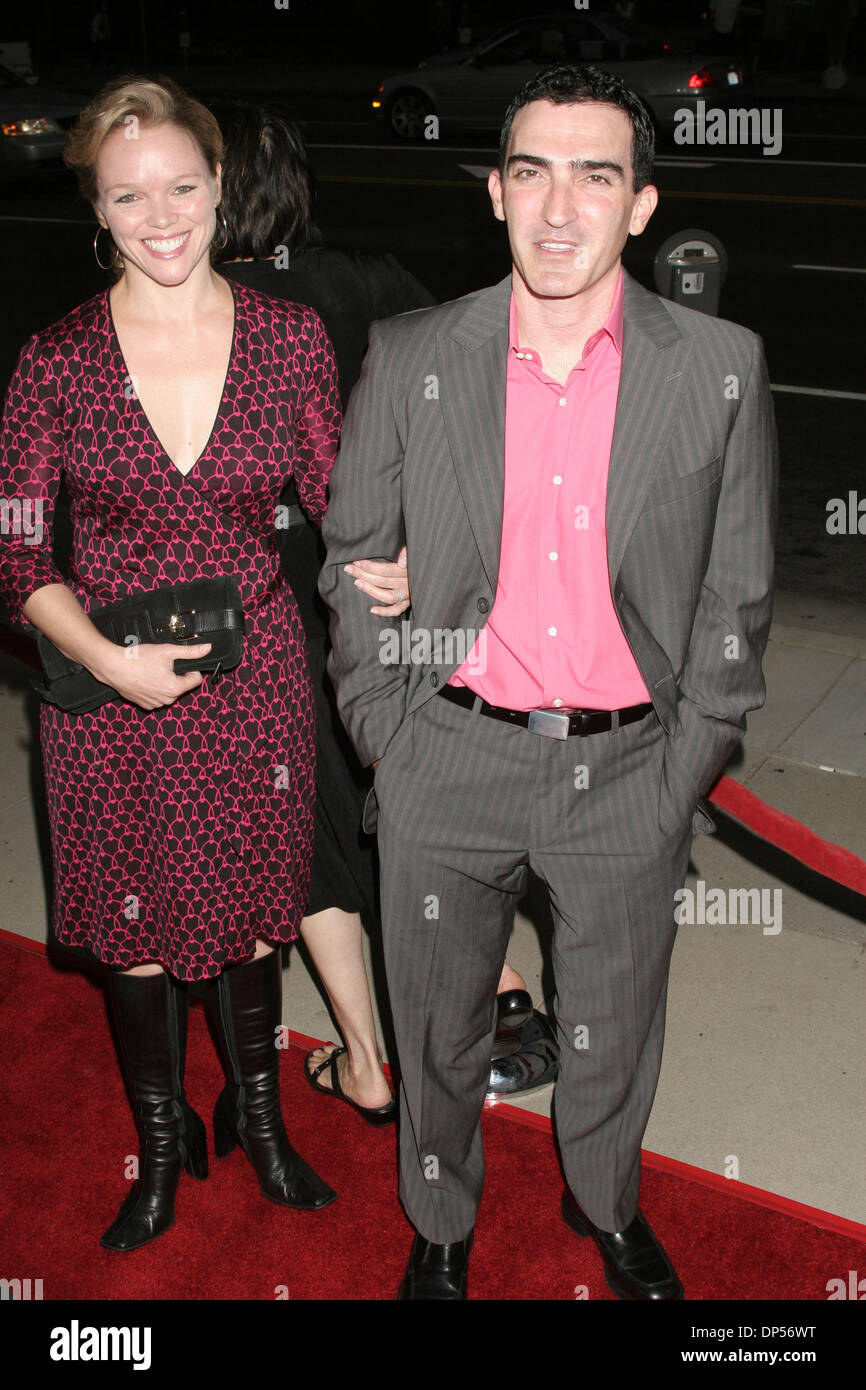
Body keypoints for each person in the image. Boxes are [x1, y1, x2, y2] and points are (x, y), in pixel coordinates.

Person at [320, 64, 778, 1299]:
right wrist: (385, 735)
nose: (559, 206)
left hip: (630, 763)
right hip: (447, 753)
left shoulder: (720, 365)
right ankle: (439, 1225)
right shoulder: (414, 352)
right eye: (531, 171)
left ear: (640, 204)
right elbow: (353, 554)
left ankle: (605, 1205)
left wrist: (687, 764)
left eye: (595, 173)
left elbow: (733, 597)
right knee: (433, 1019)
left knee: (615, 1025)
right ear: (494, 189)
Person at [0, 75, 341, 1251]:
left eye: (182, 186)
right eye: (127, 194)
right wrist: (107, 658)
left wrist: (392, 569)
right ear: (96, 208)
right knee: (137, 931)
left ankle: (259, 1119)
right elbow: (14, 549)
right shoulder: (52, 362)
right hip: (110, 697)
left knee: (255, 914)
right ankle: (159, 1146)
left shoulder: (291, 338)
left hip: (257, 691)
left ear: (217, 188)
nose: (160, 215)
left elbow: (343, 506)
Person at [216, 102, 536, 1115]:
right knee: (411, 801)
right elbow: (501, 395)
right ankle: (498, 1002)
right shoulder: (368, 278)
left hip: (265, 603)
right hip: (389, 594)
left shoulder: (196, 310)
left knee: (303, 832)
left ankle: (365, 1062)